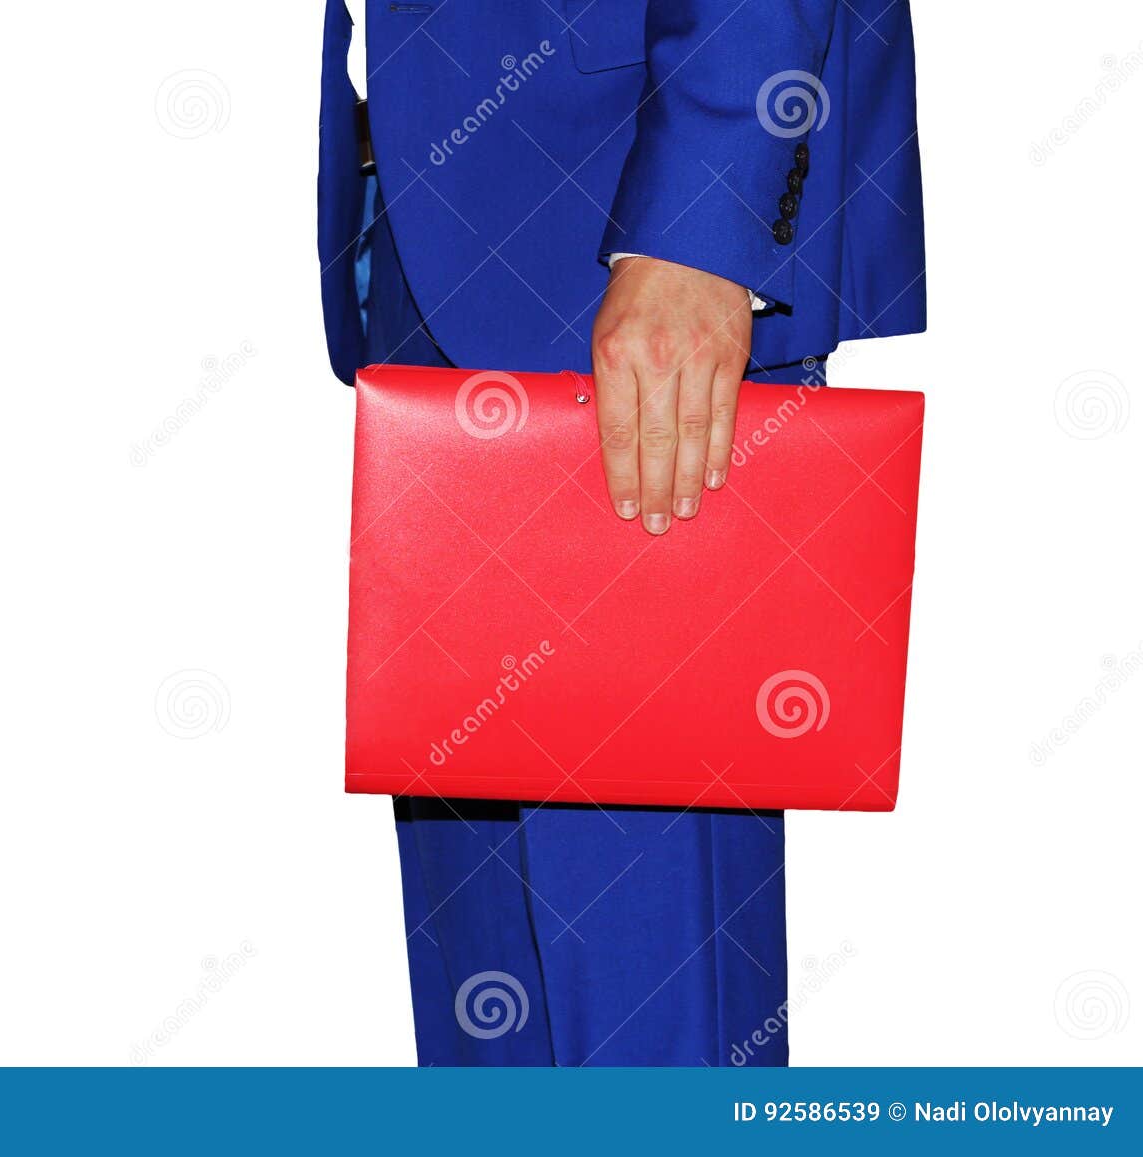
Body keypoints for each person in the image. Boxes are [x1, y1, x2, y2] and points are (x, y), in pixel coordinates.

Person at [318, 0, 925, 1065]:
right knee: (489, 1003)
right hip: (440, 200)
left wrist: (699, 221)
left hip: (623, 214)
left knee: (650, 1016)